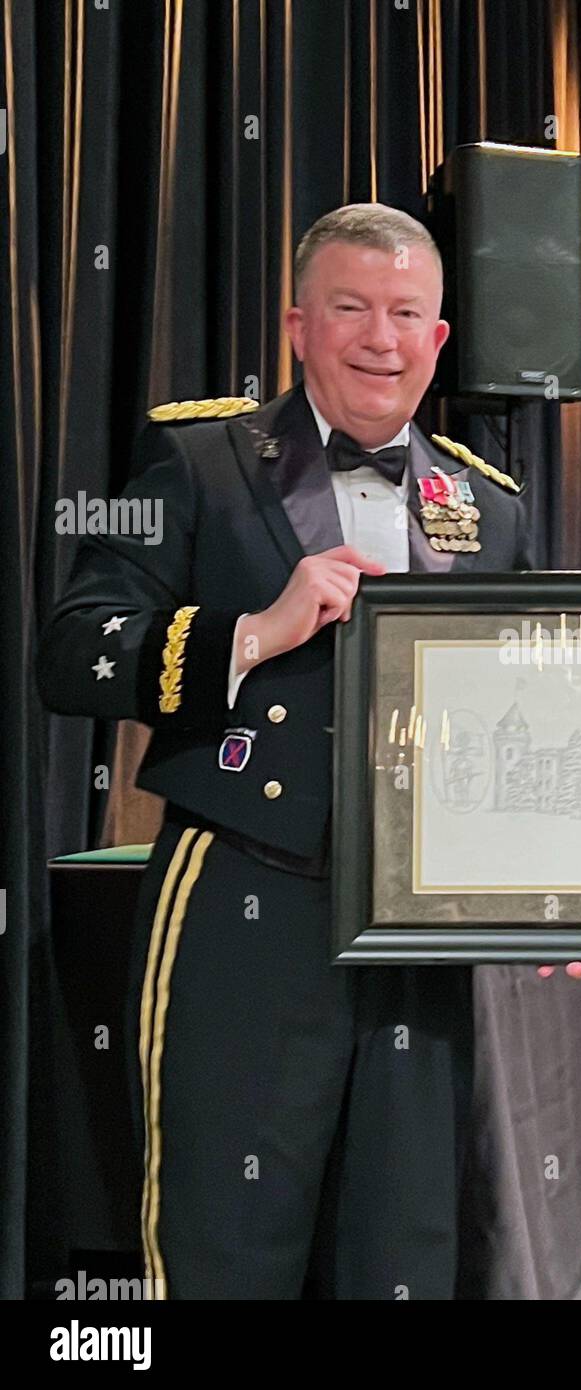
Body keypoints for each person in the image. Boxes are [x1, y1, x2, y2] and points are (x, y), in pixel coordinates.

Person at [38, 203, 531, 1299]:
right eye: (351, 308)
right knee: (224, 1242)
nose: (380, 338)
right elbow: (72, 651)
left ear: (439, 338)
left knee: (400, 1249)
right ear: (298, 326)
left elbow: (517, 733)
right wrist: (254, 631)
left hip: (415, 931)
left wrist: (571, 894)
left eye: (406, 314)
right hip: (239, 901)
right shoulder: (201, 459)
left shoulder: (487, 509)